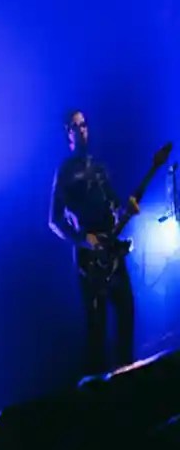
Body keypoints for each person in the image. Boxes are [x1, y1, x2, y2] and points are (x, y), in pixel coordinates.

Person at [49, 110, 140, 376]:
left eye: (85, 125)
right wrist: (82, 239)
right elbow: (53, 220)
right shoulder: (65, 171)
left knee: (126, 311)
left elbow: (113, 203)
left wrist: (126, 208)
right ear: (68, 132)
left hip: (111, 250)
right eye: (75, 126)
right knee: (97, 325)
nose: (82, 130)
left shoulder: (99, 166)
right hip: (89, 259)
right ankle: (97, 390)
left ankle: (127, 373)